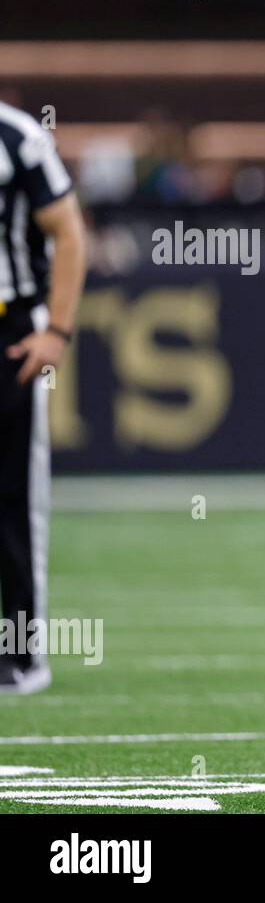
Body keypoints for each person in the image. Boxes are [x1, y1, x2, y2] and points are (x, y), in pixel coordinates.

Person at [0, 99, 87, 694]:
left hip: (8, 329)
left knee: (12, 495)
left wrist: (54, 331)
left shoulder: (18, 136)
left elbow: (68, 229)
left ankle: (23, 652)